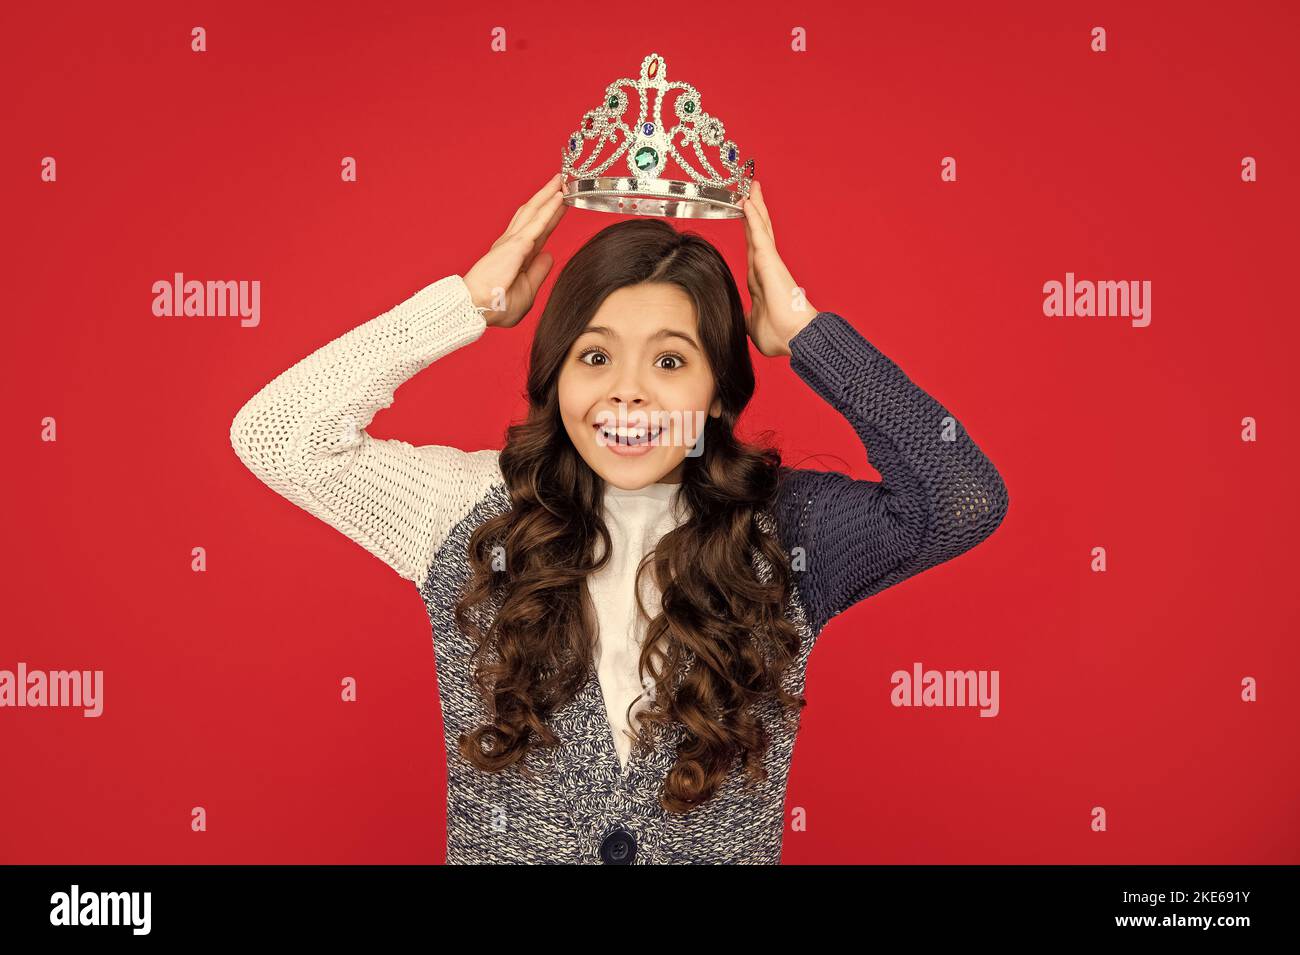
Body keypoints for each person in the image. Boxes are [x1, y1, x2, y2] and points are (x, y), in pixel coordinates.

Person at [229, 172, 1009, 864]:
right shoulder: (466, 512)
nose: (628, 393)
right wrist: (462, 306)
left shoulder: (785, 531)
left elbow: (959, 499)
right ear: (555, 371)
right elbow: (277, 436)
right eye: (595, 356)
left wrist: (807, 334)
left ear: (718, 388)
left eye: (670, 361)